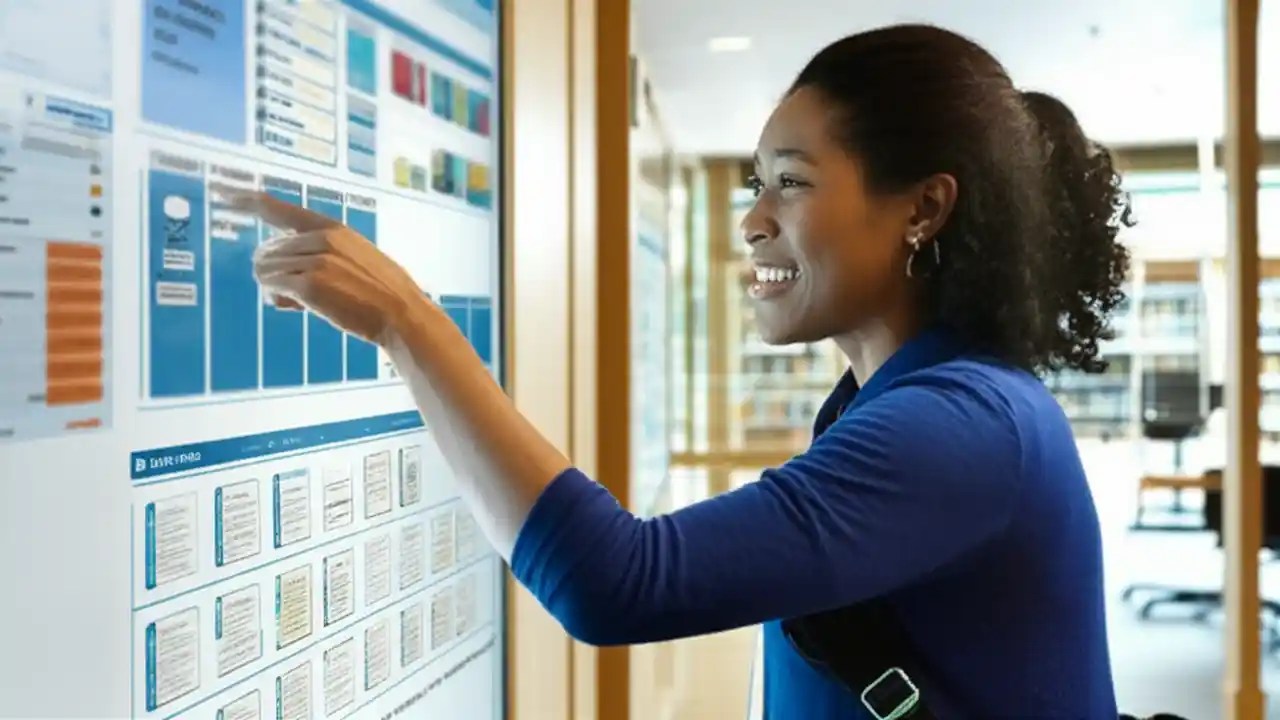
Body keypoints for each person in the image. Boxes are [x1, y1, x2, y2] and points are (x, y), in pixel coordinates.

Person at [234, 23, 1132, 719]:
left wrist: (405, 320)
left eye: (792, 182)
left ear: (923, 209)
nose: (753, 220)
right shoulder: (896, 404)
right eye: (755, 183)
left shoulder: (962, 427)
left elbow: (616, 582)